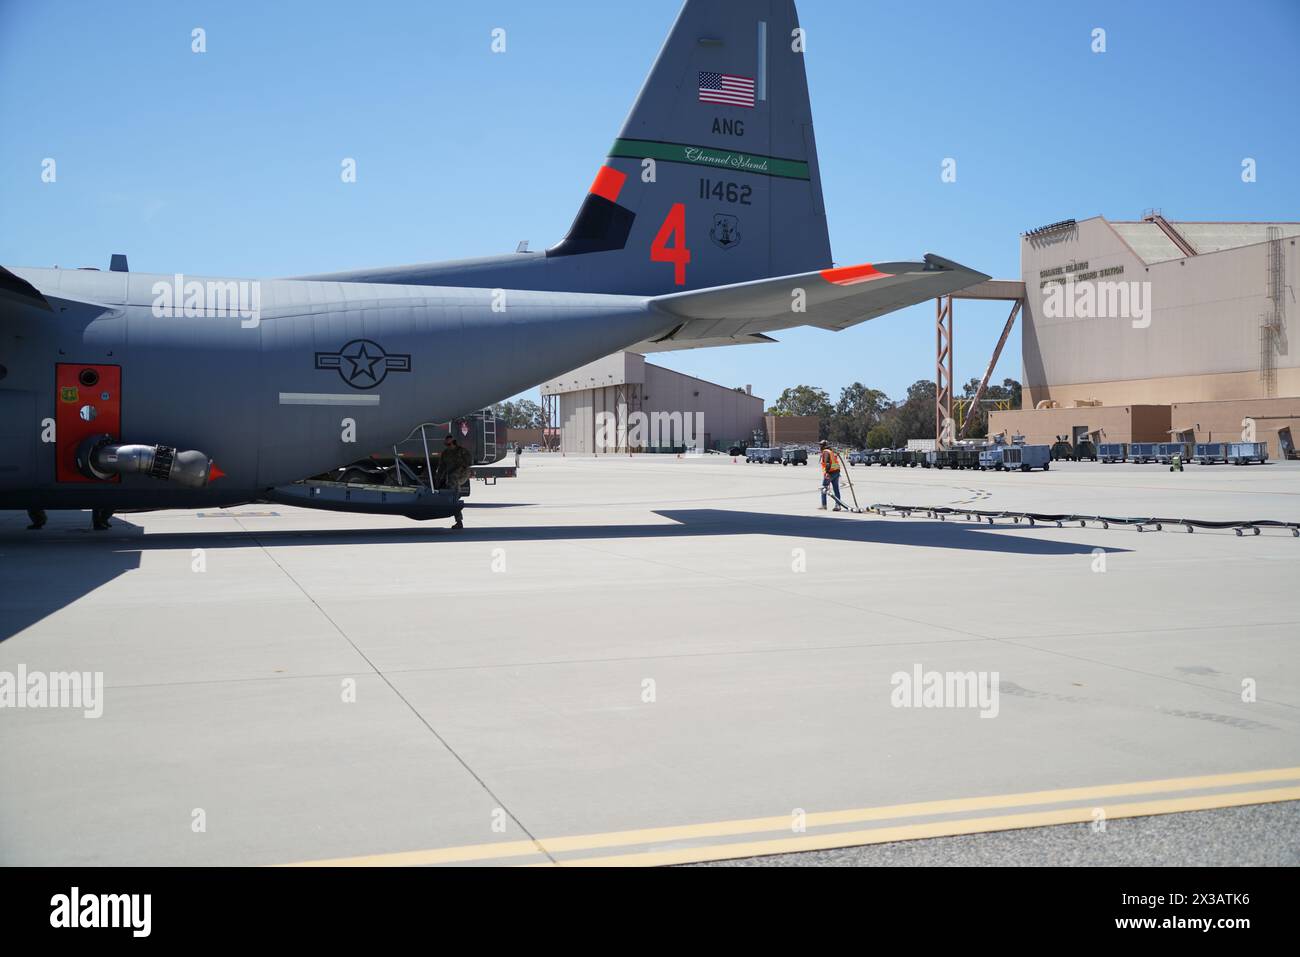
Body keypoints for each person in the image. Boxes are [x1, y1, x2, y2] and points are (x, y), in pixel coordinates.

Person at [435, 434, 473, 529]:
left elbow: (468, 463)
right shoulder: (445, 453)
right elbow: (441, 468)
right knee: (450, 494)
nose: (448, 446)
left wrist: (458, 470)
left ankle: (459, 521)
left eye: (449, 444)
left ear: (453, 443)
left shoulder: (462, 452)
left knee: (454, 495)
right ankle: (457, 517)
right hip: (451, 476)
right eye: (446, 445)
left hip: (460, 474)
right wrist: (437, 480)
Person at [819, 440, 843, 512]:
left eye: (821, 445)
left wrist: (826, 472)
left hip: (830, 472)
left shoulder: (826, 452)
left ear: (823, 446)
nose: (819, 447)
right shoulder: (830, 451)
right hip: (836, 472)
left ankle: (824, 505)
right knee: (836, 489)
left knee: (824, 488)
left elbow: (827, 463)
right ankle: (838, 505)